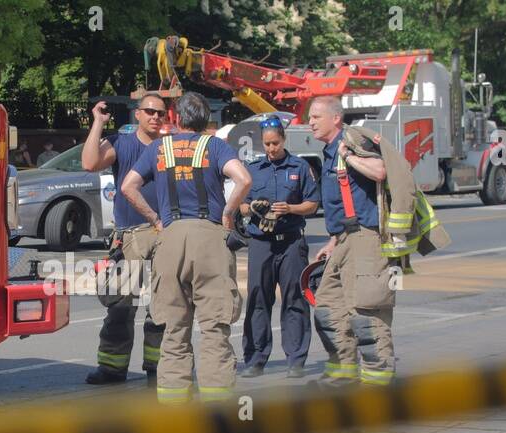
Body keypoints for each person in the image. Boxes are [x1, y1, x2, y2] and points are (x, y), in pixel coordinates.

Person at [121, 92, 252, 403]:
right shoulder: (216, 146)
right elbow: (243, 179)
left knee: (174, 329)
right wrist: (228, 213)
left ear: (175, 118)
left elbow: (128, 186)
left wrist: (154, 218)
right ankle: (217, 404)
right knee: (214, 327)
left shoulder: (157, 148)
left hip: (170, 240)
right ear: (205, 119)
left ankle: (173, 404)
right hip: (211, 238)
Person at [81, 93, 170, 385]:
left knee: (162, 306)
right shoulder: (122, 142)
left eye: (160, 113)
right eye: (149, 111)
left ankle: (157, 367)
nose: (155, 117)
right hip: (129, 237)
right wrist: (98, 123)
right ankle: (111, 368)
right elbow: (90, 163)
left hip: (165, 235)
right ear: (138, 114)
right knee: (120, 306)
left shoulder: (169, 147)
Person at [308, 96, 396, 387]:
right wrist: (334, 241)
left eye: (315, 117)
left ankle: (378, 380)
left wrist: (350, 157)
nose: (310, 122)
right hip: (344, 239)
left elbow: (381, 171)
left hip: (367, 238)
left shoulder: (352, 141)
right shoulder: (330, 151)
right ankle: (343, 372)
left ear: (335, 118)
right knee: (327, 308)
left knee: (366, 313)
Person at [240, 117, 320, 379]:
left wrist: (290, 208)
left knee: (295, 299)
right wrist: (251, 208)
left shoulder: (299, 166)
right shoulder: (253, 169)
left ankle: (296, 359)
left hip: (291, 243)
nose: (271, 148)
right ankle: (255, 359)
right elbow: (241, 205)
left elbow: (312, 204)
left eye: (275, 143)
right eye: (267, 144)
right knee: (257, 299)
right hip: (261, 243)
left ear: (284, 140)